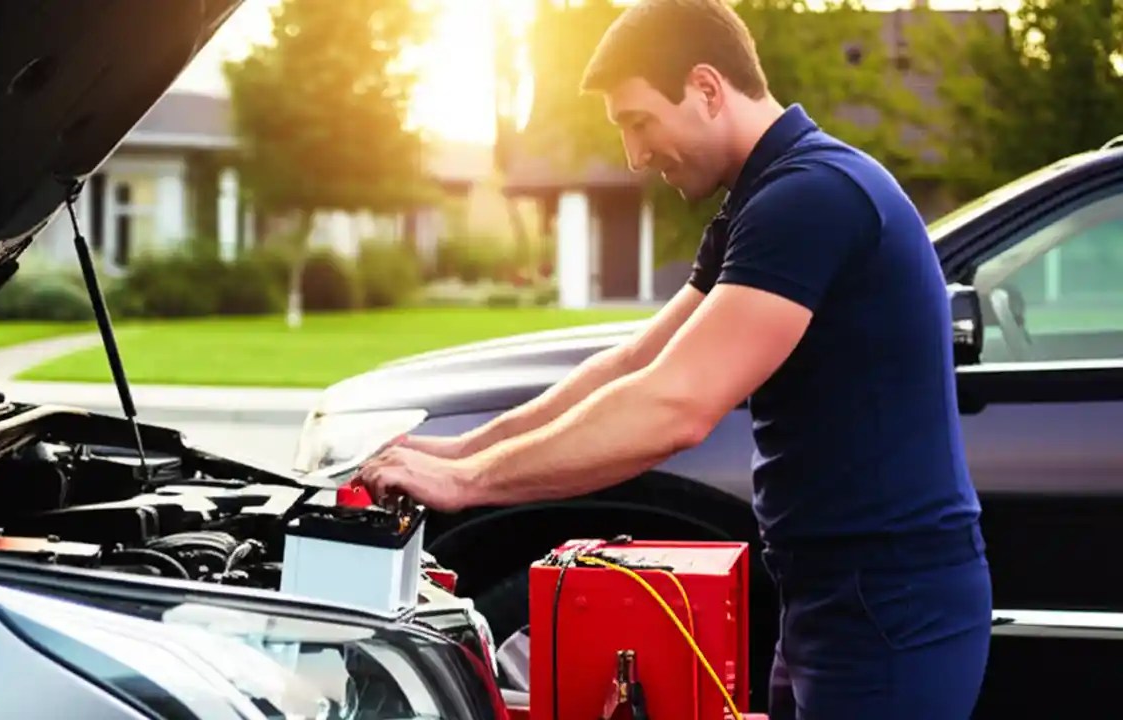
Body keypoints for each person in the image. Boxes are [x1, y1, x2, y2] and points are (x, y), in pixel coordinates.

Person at [355, 0, 992, 717]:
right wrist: (452, 453)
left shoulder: (812, 198)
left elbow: (675, 407)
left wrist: (472, 483)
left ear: (707, 88)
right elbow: (635, 363)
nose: (634, 154)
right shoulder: (765, 201)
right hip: (833, 600)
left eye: (638, 121)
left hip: (887, 609)